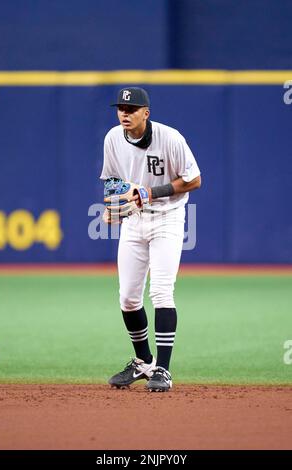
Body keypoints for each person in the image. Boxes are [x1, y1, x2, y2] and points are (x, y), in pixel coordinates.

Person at [100, 87, 201, 392]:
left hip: (167, 219)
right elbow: (113, 180)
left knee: (160, 293)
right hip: (134, 220)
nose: (124, 114)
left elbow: (194, 179)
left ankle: (164, 370)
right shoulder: (113, 138)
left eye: (131, 109)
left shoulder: (170, 138)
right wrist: (113, 207)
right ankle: (144, 362)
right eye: (120, 108)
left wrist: (150, 193)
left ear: (146, 112)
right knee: (128, 298)